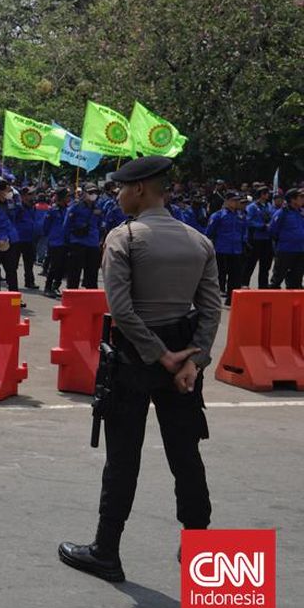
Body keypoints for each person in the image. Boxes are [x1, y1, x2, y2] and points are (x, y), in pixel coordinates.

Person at [59, 155, 221, 583]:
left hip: (134, 359)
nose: (117, 195)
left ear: (141, 189)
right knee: (186, 454)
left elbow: (121, 308)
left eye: (121, 188)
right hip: (183, 357)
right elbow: (210, 308)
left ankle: (106, 551)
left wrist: (157, 354)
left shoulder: (124, 238)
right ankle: (202, 552)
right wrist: (193, 359)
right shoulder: (198, 241)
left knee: (123, 457)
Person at [205, 192, 247, 305]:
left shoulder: (241, 215)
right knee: (220, 276)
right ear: (227, 201)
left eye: (237, 200)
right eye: (234, 200)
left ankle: (232, 299)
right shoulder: (218, 215)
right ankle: (214, 300)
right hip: (222, 249)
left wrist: (244, 241)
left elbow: (244, 230)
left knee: (236, 276)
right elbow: (209, 232)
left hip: (236, 249)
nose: (236, 202)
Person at [268, 188, 304, 289]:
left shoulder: (301, 212)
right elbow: (272, 230)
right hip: (285, 250)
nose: (303, 199)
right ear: (293, 200)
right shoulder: (282, 213)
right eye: (300, 197)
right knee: (277, 278)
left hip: (300, 250)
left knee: (296, 279)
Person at [244, 187, 275, 288]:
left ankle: (263, 286)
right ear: (261, 194)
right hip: (256, 239)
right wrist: (261, 226)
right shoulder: (252, 207)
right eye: (266, 193)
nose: (268, 195)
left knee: (265, 265)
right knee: (250, 263)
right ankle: (244, 283)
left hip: (267, 239)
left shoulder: (269, 206)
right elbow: (248, 221)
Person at [42, 189, 71, 298]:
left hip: (66, 241)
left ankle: (56, 286)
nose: (69, 198)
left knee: (63, 266)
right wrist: (50, 237)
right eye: (67, 196)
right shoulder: (53, 210)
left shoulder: (68, 209)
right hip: (55, 242)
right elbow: (46, 226)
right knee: (54, 266)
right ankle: (48, 287)